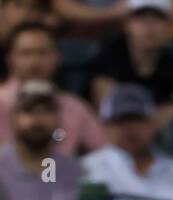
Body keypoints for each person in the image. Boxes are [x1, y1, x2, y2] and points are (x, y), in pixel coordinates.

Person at [88, 0, 173, 124]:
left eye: (157, 18)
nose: (149, 27)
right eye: (141, 18)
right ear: (126, 24)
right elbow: (107, 117)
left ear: (169, 26)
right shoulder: (109, 58)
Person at [0, 21, 106, 154]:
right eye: (26, 53)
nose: (35, 61)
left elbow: (106, 153)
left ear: (57, 57)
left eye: (42, 52)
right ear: (10, 59)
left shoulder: (74, 107)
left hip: (60, 173)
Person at [0, 80, 82, 200]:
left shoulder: (74, 171)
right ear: (13, 118)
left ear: (59, 119)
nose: (37, 120)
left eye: (46, 111)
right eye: (29, 111)